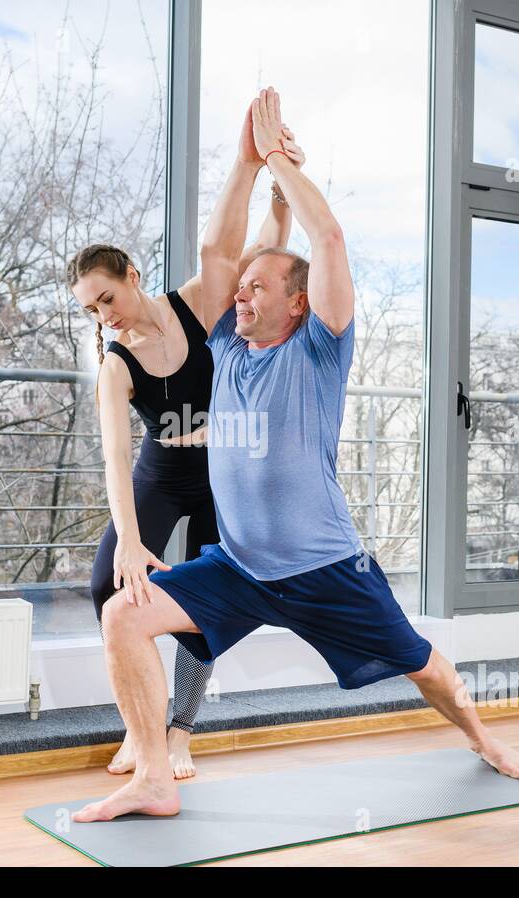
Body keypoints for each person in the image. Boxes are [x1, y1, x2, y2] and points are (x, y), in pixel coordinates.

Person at [73, 88, 519, 823]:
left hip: (325, 568)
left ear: (296, 302)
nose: (240, 294)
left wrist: (281, 163)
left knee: (421, 663)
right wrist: (244, 162)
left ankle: (482, 739)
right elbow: (219, 252)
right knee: (124, 614)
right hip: (242, 569)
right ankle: (156, 775)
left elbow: (330, 243)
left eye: (258, 287)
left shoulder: (321, 348)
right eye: (240, 289)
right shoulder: (226, 345)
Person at [67, 114, 305, 779]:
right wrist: (132, 539)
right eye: (91, 310)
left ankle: (179, 731)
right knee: (105, 583)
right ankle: (139, 729)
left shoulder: (195, 307)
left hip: (224, 475)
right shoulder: (116, 365)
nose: (104, 314)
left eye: (107, 297)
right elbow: (116, 458)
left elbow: (233, 248)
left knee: (207, 601)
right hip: (162, 474)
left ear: (133, 276)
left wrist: (258, 171)